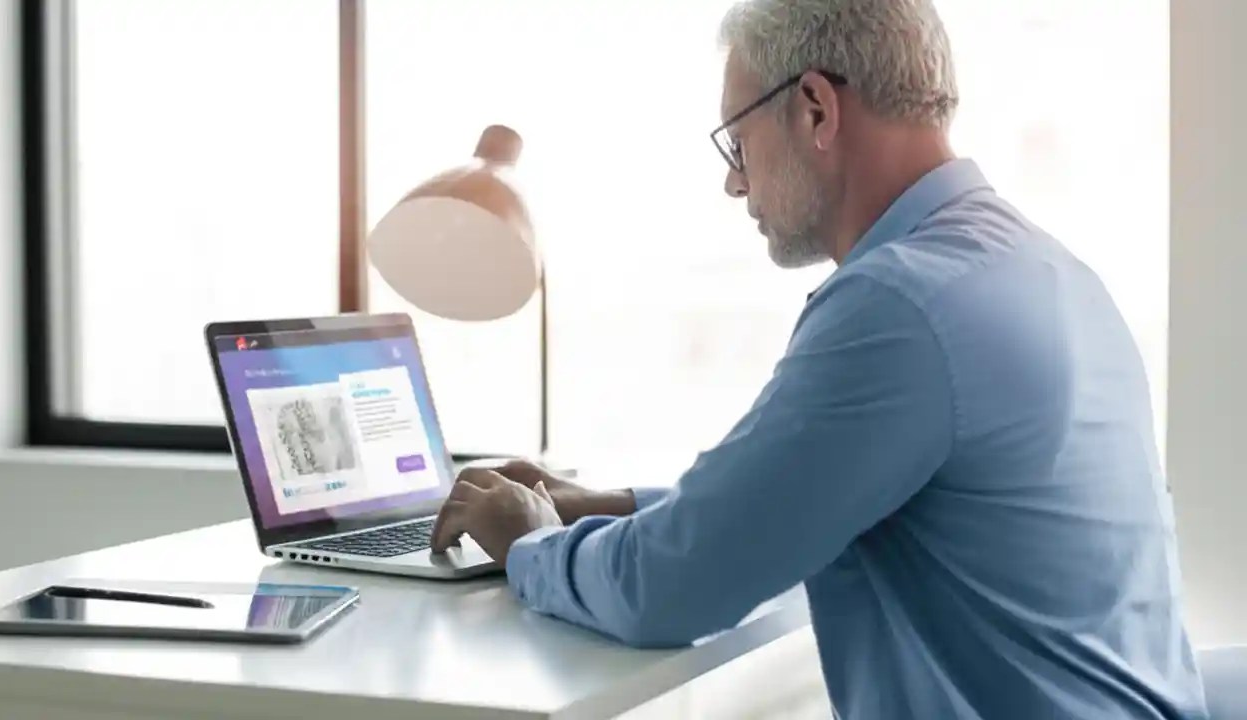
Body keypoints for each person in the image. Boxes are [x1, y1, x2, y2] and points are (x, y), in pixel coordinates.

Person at [430, 0, 1209, 716]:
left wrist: (531, 541)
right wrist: (607, 504)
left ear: (815, 109)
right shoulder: (1042, 271)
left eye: (738, 141)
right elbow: (798, 493)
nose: (735, 183)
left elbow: (669, 590)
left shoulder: (901, 307)